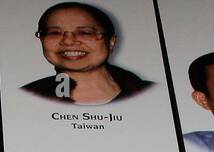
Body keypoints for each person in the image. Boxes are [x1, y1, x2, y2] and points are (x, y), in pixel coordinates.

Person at [21, 3, 152, 104]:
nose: (68, 41)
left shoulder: (148, 93)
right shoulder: (27, 96)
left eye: (85, 32)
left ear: (111, 42)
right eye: (54, 33)